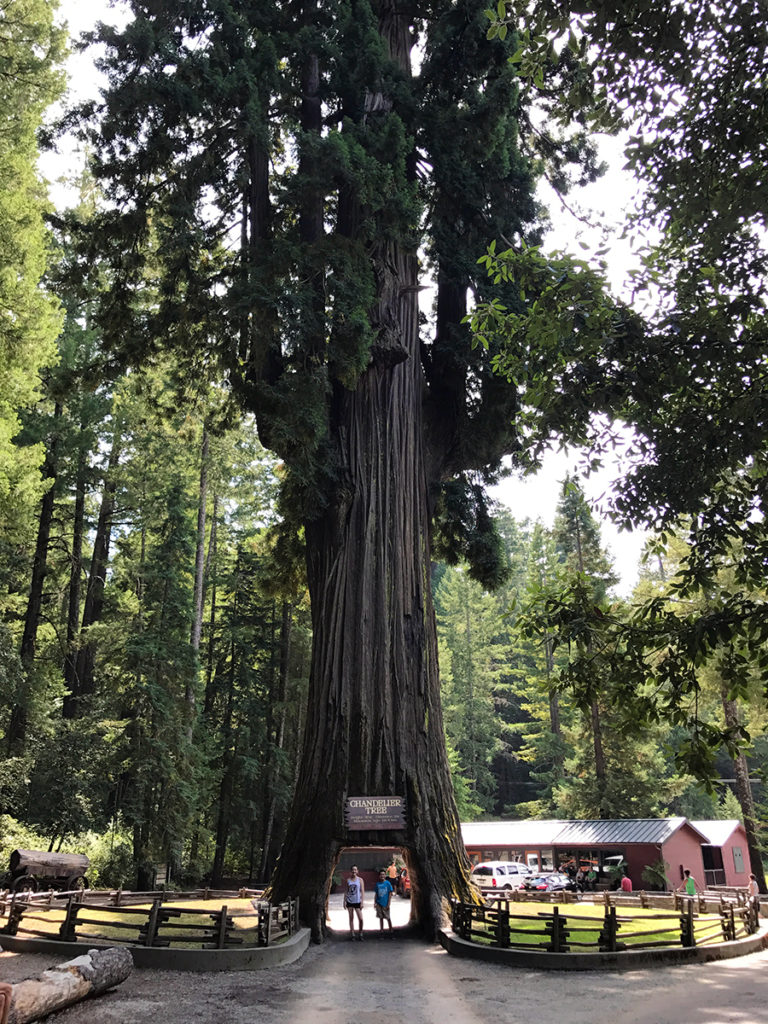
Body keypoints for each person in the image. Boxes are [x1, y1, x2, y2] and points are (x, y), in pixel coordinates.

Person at [344, 865, 365, 939]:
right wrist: (344, 901)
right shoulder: (348, 880)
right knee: (351, 918)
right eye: (353, 870)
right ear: (350, 871)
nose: (354, 871)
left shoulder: (360, 880)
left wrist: (362, 902)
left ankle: (361, 932)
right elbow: (346, 891)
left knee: (361, 919)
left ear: (357, 871)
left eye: (355, 870)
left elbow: (362, 891)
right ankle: (352, 933)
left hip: (357, 901)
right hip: (350, 901)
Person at [374, 868, 394, 934]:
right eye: (381, 874)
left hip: (385, 903)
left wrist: (389, 903)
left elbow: (390, 894)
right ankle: (381, 930)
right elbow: (376, 894)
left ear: (385, 875)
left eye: (383, 874)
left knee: (388, 917)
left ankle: (391, 930)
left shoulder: (387, 883)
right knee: (381, 917)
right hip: (379, 903)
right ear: (379, 876)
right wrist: (375, 903)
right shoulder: (377, 884)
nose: (382, 876)